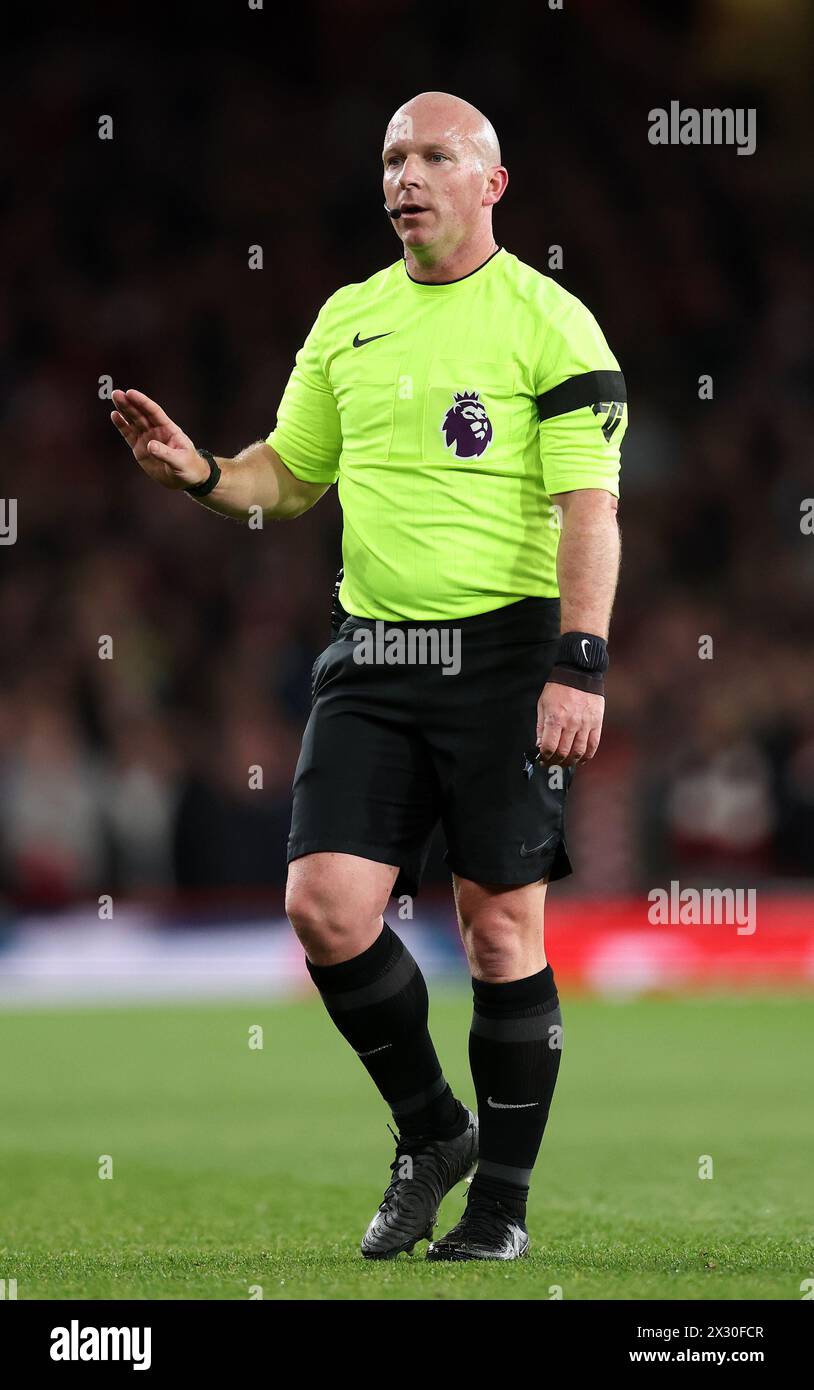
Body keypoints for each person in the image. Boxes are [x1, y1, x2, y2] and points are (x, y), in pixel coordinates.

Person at [110, 90, 626, 1262]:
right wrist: (199, 471)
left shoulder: (551, 325)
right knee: (325, 908)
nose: (406, 175)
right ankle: (430, 1130)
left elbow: (587, 510)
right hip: (376, 653)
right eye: (393, 156)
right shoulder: (347, 319)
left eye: (435, 156)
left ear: (490, 184)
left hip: (505, 656)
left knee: (499, 931)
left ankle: (497, 1209)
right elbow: (285, 478)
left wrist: (579, 662)